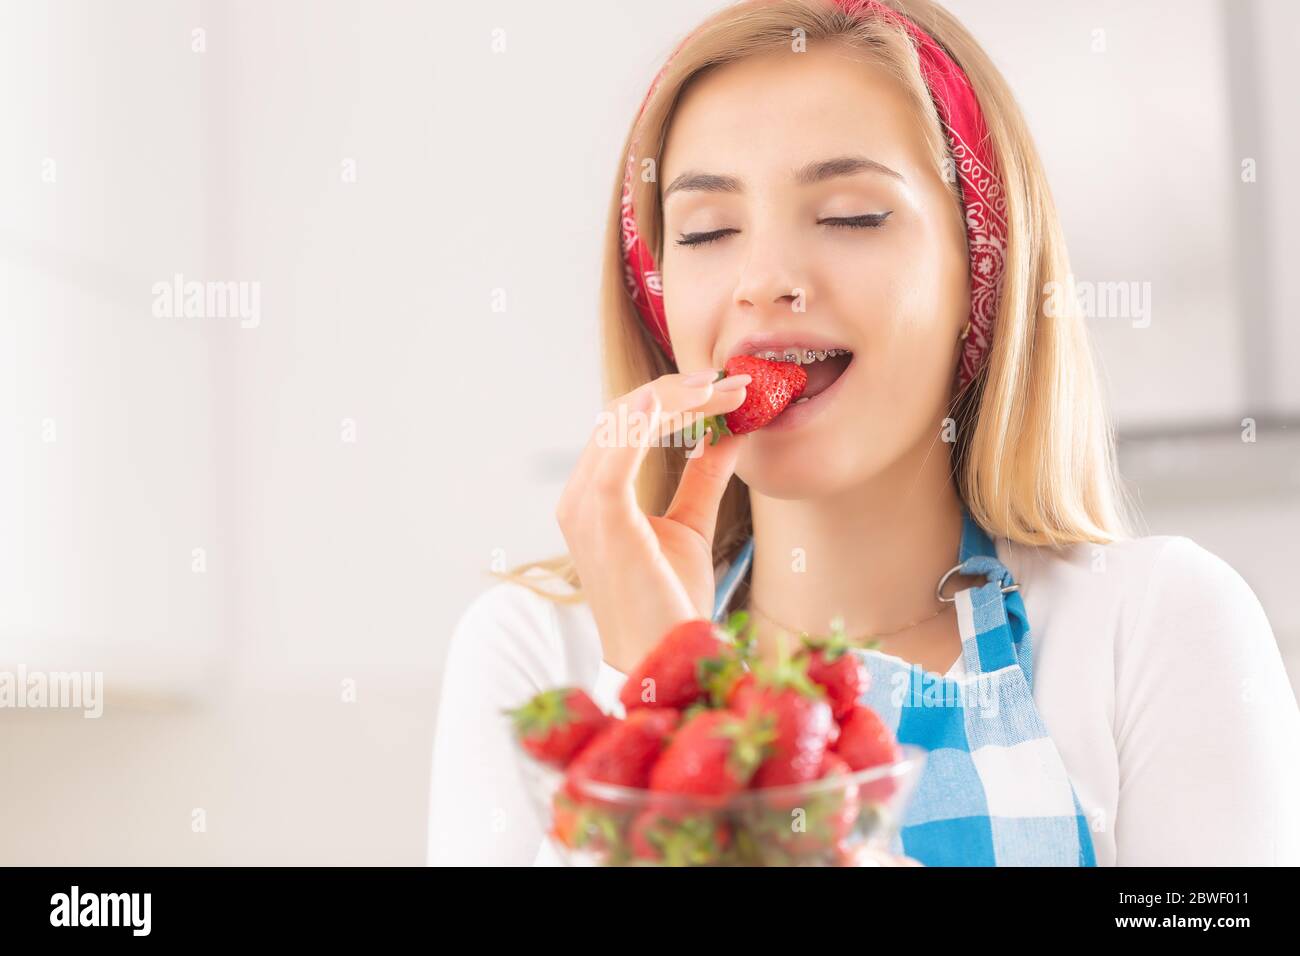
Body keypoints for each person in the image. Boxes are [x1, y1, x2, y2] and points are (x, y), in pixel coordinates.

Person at [427, 0, 1300, 866]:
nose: (764, 279)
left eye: (851, 215)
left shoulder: (1155, 628)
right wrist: (659, 691)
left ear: (983, 275)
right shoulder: (537, 655)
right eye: (706, 230)